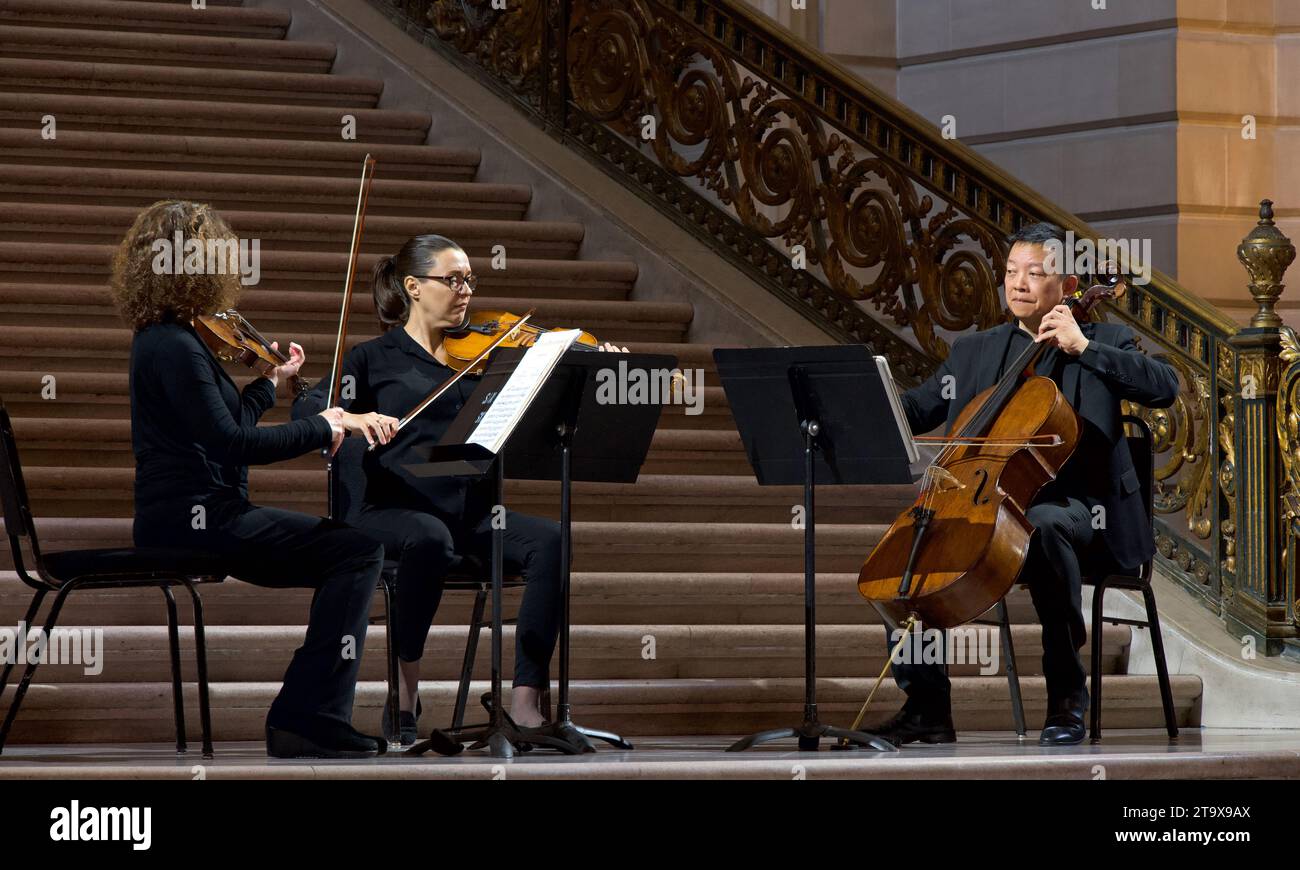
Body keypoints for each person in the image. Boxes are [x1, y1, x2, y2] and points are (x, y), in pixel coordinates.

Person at [292, 233, 625, 747]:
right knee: (429, 538)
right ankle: (405, 689)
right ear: (414, 287)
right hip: (392, 511)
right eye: (453, 279)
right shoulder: (371, 358)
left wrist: (599, 366)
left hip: (470, 513)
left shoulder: (487, 357)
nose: (466, 290)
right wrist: (353, 418)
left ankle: (526, 702)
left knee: (551, 539)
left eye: (470, 279)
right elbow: (310, 412)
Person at [870, 222, 1179, 746]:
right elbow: (918, 407)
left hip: (1083, 510)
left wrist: (1084, 348)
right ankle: (926, 706)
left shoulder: (1102, 340)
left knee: (1044, 525)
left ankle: (1065, 699)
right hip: (993, 506)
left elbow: (1164, 387)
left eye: (1034, 274)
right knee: (913, 546)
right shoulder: (976, 353)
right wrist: (866, 403)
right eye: (1011, 272)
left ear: (1067, 285)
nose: (1018, 284)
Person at [114, 200, 398, 758]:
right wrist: (325, 424)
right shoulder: (173, 346)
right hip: (191, 521)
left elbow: (225, 433)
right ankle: (307, 717)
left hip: (195, 514)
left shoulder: (174, 340)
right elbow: (236, 445)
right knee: (357, 551)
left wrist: (270, 383)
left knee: (354, 551)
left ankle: (307, 714)